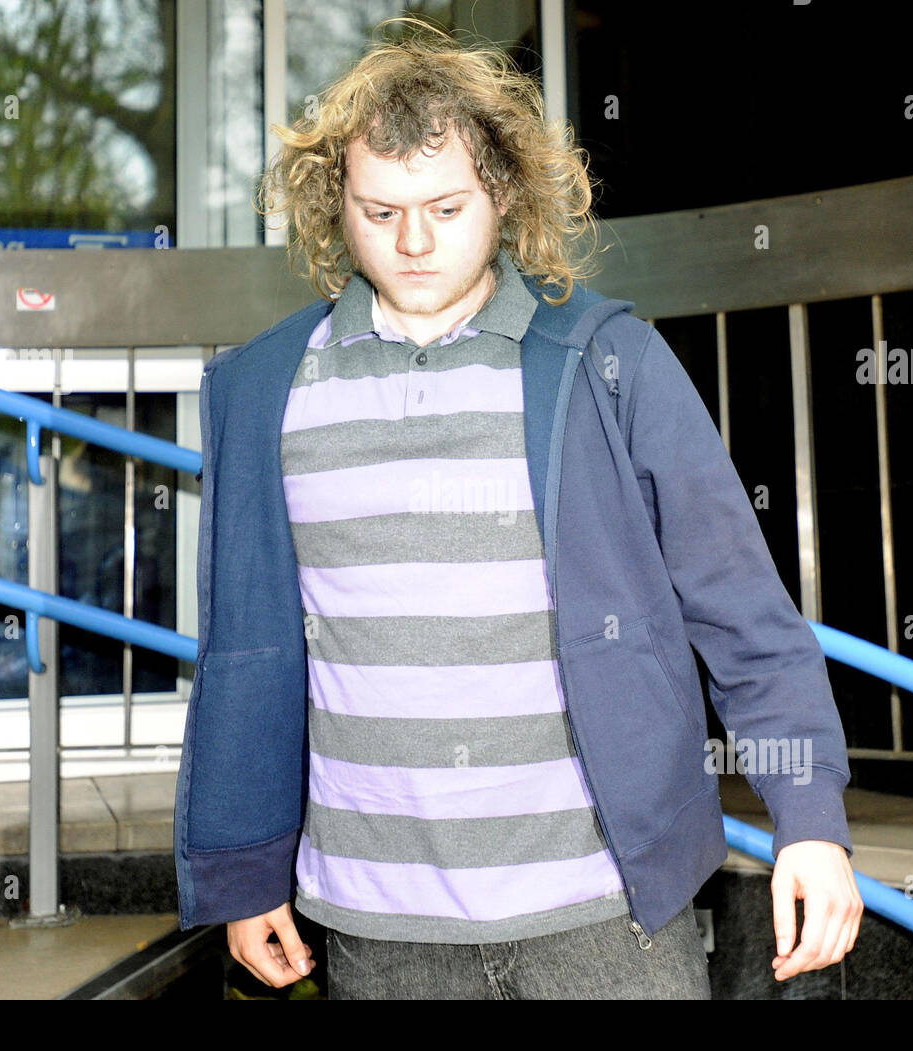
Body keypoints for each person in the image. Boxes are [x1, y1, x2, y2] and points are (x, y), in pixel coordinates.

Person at [173, 18, 863, 999]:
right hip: (380, 928)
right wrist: (243, 871)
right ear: (335, 202)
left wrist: (811, 821)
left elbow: (740, 608)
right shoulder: (264, 389)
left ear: (501, 191)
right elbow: (248, 648)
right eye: (379, 211)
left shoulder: (610, 363)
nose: (412, 242)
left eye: (445, 207)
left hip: (605, 915)